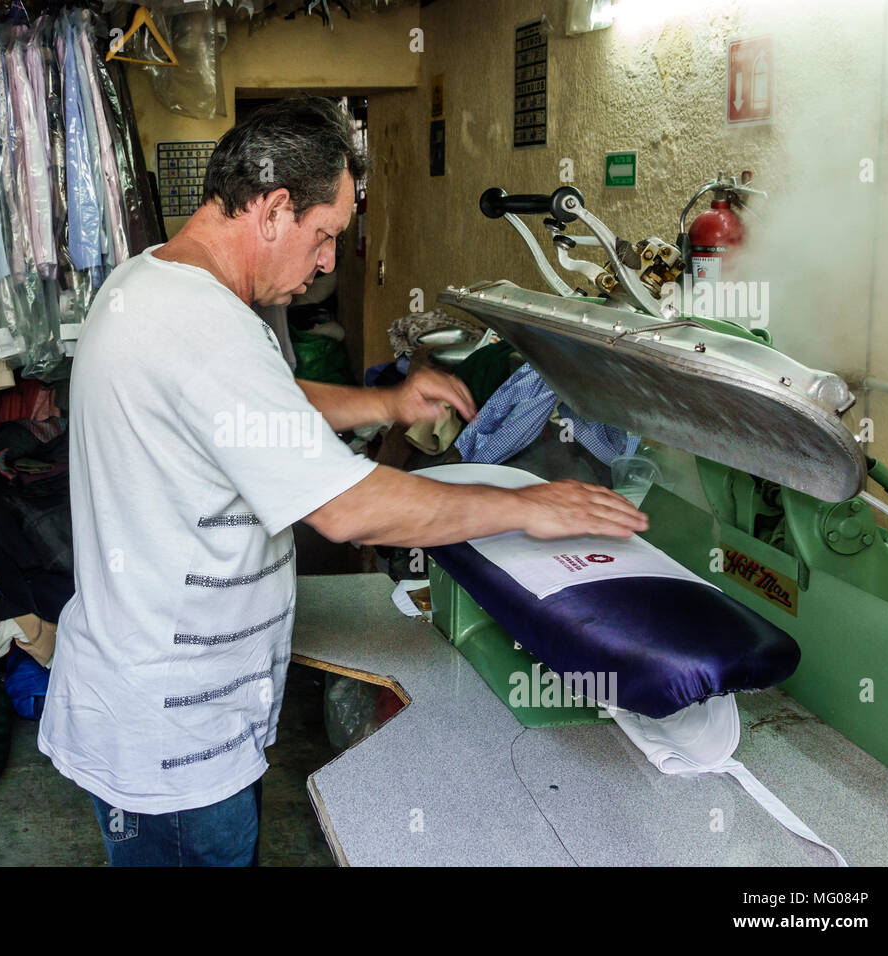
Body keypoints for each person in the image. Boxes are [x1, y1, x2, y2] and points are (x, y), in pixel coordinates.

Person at [38, 96, 648, 866]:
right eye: (323, 235)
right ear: (271, 208)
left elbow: (253, 412)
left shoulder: (153, 282)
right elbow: (349, 508)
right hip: (178, 737)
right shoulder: (210, 330)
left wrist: (383, 401)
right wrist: (526, 506)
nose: (327, 262)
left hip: (147, 694)